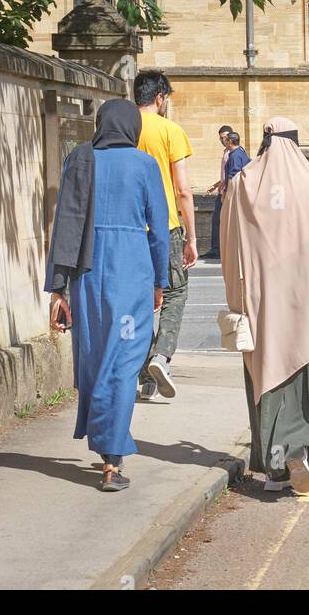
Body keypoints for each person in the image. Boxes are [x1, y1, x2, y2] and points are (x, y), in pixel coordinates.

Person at [221, 116, 309, 495]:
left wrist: (237, 295)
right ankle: (298, 450)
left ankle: (275, 468)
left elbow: (228, 245)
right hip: (305, 304)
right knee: (303, 375)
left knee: (265, 375)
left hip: (262, 305)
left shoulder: (243, 182)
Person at [45, 99, 169, 492]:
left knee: (97, 359)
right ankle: (112, 459)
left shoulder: (79, 160)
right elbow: (161, 230)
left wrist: (58, 289)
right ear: (133, 128)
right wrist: (159, 282)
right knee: (125, 362)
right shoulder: (145, 164)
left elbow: (63, 224)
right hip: (131, 273)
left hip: (86, 274)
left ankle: (106, 450)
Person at [134, 69, 196, 401]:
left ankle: (146, 377)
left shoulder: (124, 128)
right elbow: (183, 189)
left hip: (131, 228)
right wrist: (192, 237)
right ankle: (162, 356)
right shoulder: (170, 130)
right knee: (175, 294)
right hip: (166, 226)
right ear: (160, 98)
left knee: (142, 300)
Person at [206, 126, 247, 260]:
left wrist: (225, 193)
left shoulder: (234, 154)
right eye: (220, 138)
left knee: (222, 220)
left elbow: (232, 175)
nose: (222, 140)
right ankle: (218, 249)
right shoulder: (229, 152)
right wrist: (216, 185)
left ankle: (218, 250)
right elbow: (227, 174)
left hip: (229, 192)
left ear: (231, 139)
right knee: (218, 220)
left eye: (224, 137)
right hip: (225, 190)